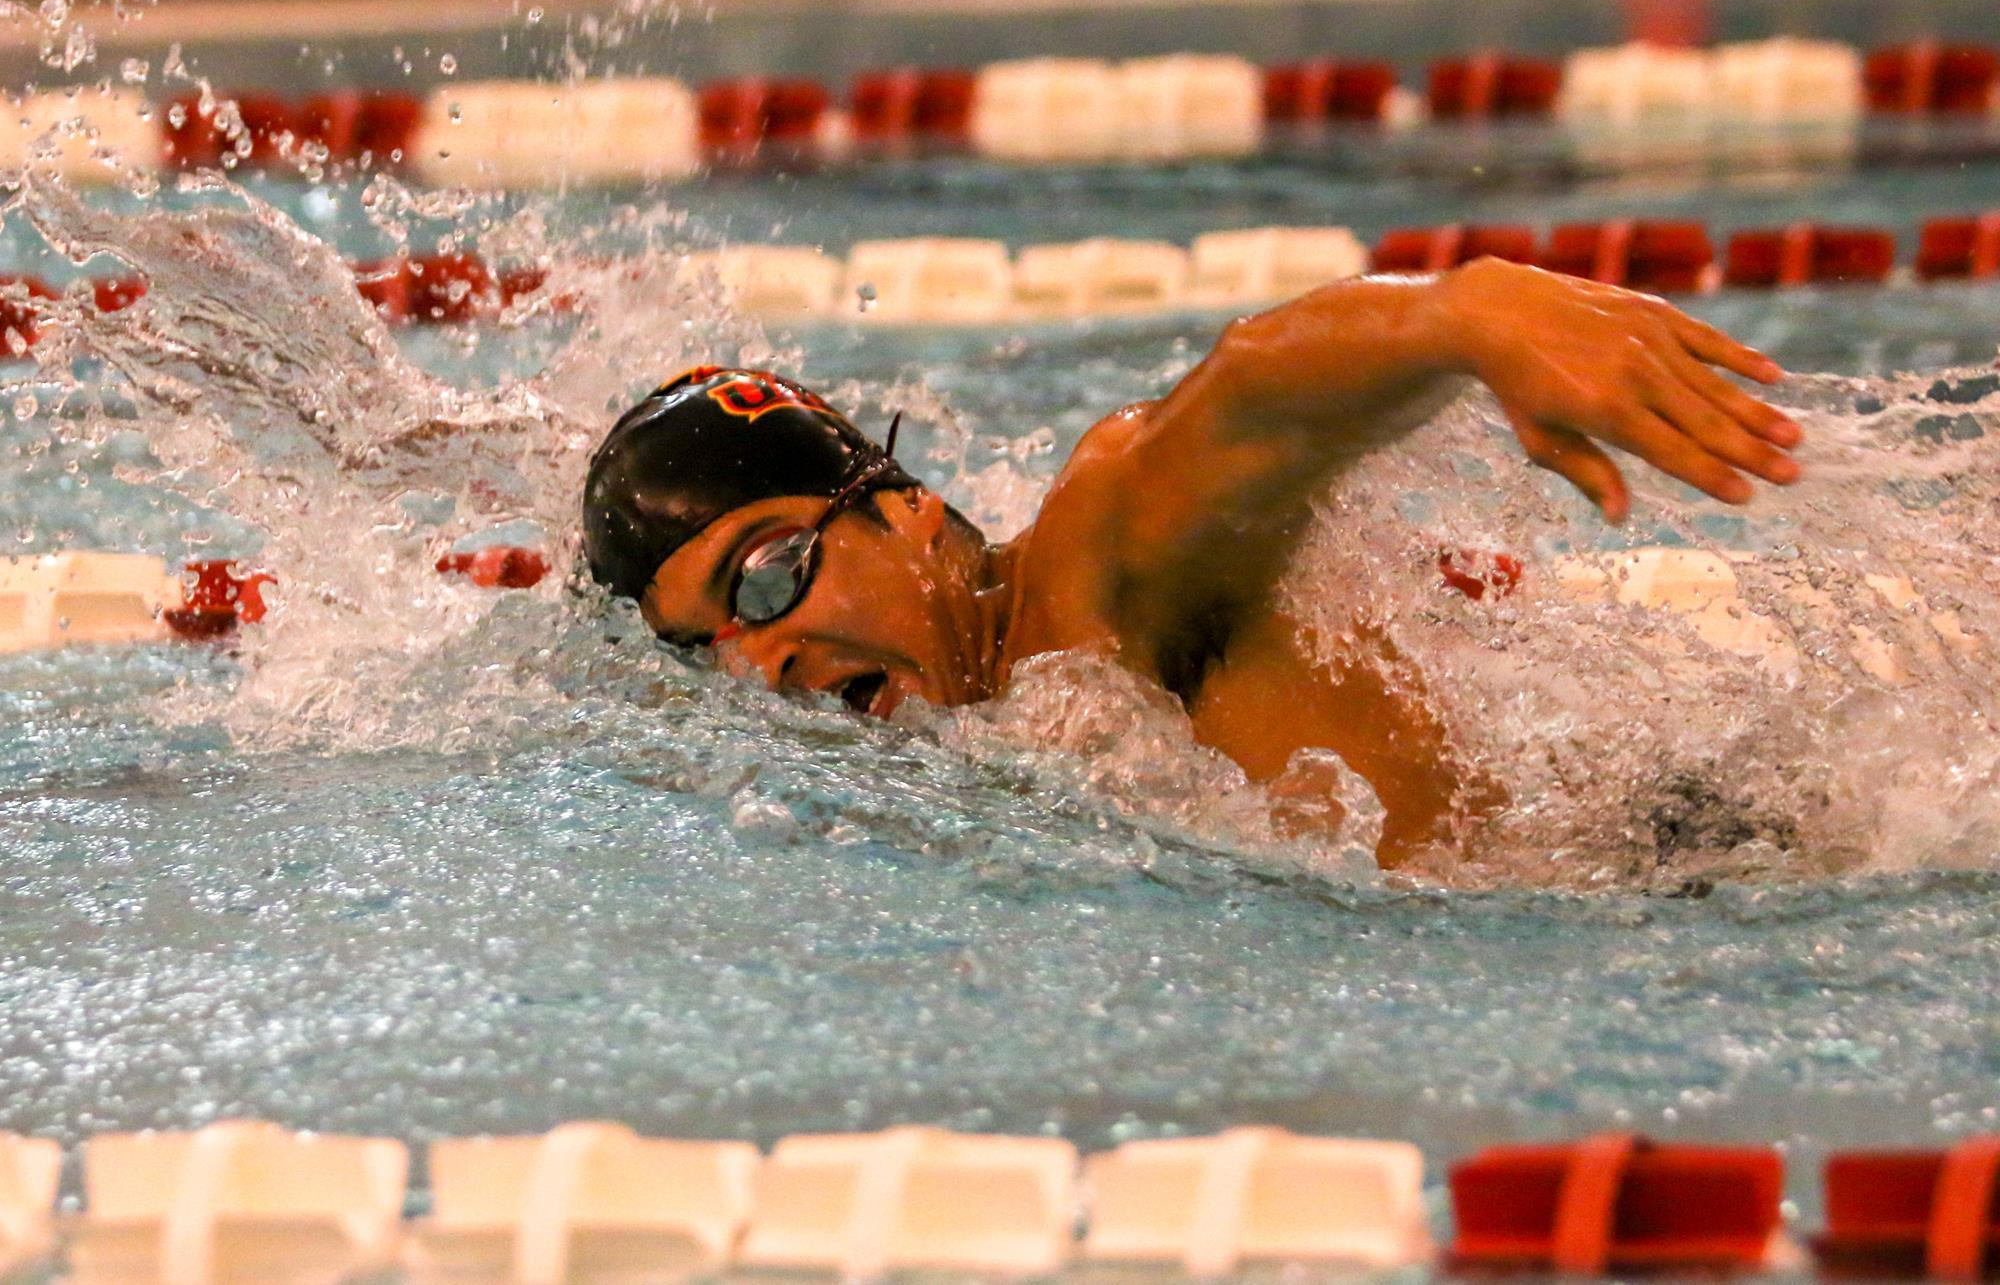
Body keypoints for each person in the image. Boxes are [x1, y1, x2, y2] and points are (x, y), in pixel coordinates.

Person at [583, 258, 1800, 866]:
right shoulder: (978, 725)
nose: (762, 659)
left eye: (765, 577)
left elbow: (1245, 396)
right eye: (709, 647)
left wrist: (1463, 314)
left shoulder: (1085, 583)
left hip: (1657, 894)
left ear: (901, 510)